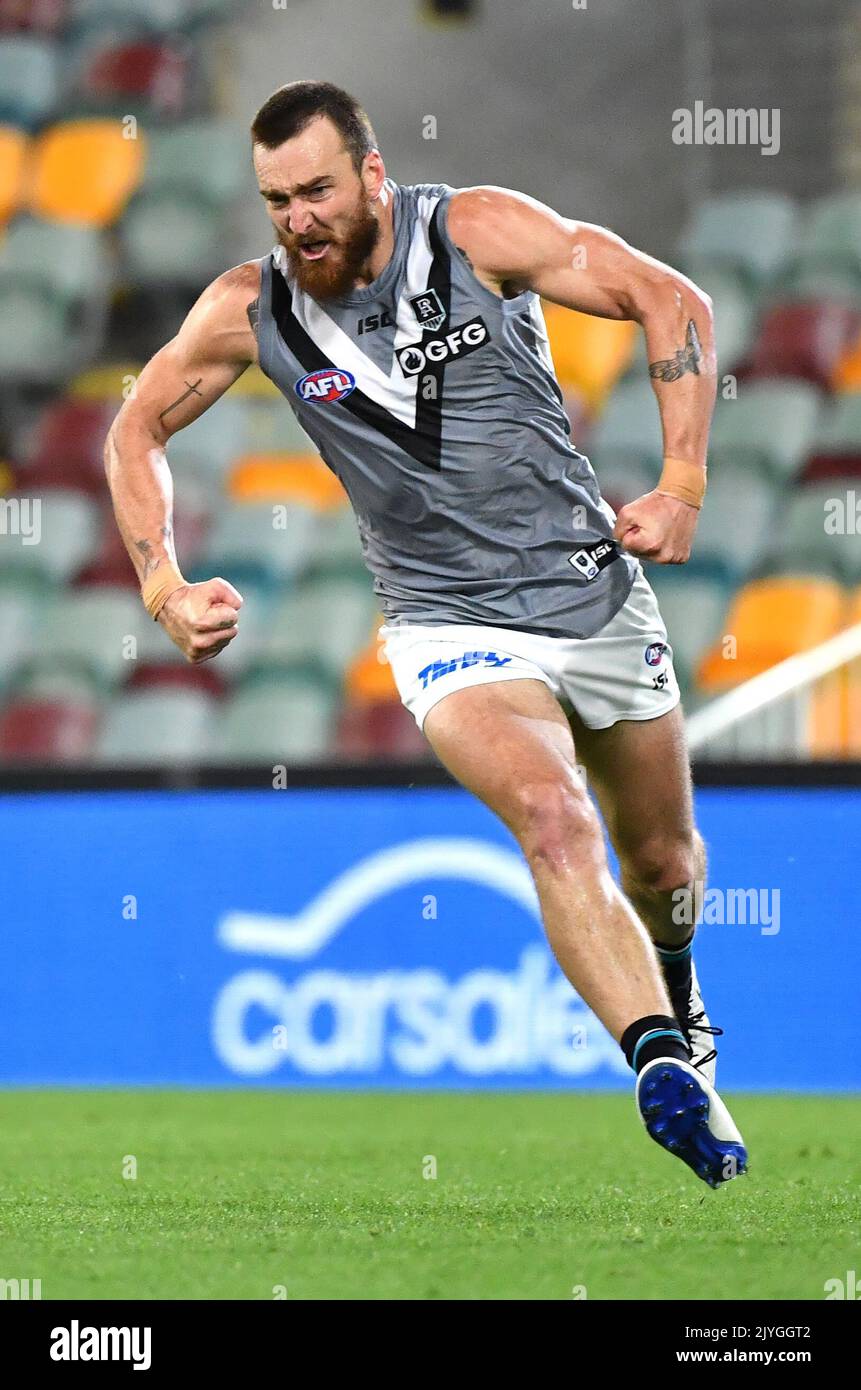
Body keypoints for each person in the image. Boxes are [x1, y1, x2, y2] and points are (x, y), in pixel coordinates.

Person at [105, 80, 746, 1187]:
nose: (296, 217)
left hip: (593, 597)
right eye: (275, 200)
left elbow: (668, 296)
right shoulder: (250, 308)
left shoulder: (478, 233)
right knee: (553, 817)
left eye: (314, 189)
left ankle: (680, 995)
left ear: (371, 174)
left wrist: (682, 482)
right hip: (445, 627)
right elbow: (133, 427)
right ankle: (657, 1066)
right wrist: (162, 586)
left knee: (666, 864)